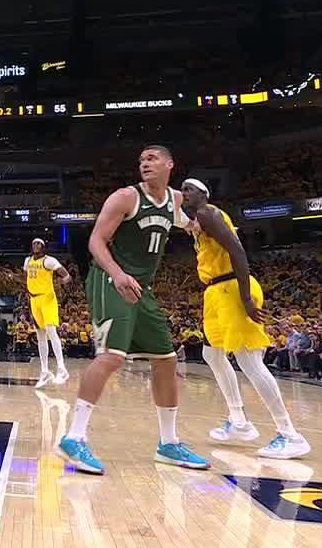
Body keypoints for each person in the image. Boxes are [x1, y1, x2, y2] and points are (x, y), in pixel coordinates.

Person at [56, 145, 210, 475]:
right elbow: (95, 242)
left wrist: (202, 224)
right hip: (109, 279)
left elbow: (189, 222)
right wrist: (117, 274)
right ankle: (74, 437)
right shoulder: (125, 197)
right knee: (112, 357)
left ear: (170, 164)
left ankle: (168, 443)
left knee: (166, 360)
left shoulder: (175, 200)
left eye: (152, 159)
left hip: (142, 287)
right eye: (141, 160)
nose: (145, 164)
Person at [181, 179, 310, 459]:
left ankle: (290, 434)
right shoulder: (198, 221)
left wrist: (246, 298)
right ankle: (239, 422)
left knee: (249, 361)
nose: (184, 192)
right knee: (211, 355)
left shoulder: (208, 213)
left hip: (233, 289)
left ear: (204, 194)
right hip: (215, 292)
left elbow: (237, 250)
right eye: (182, 189)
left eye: (189, 188)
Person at [22, 238, 72, 388]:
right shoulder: (27, 261)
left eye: (39, 244)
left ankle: (62, 369)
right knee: (40, 335)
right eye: (34, 243)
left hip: (47, 298)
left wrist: (62, 282)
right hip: (34, 300)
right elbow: (27, 279)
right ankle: (45, 371)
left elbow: (66, 275)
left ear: (43, 247)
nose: (36, 245)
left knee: (51, 331)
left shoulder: (49, 261)